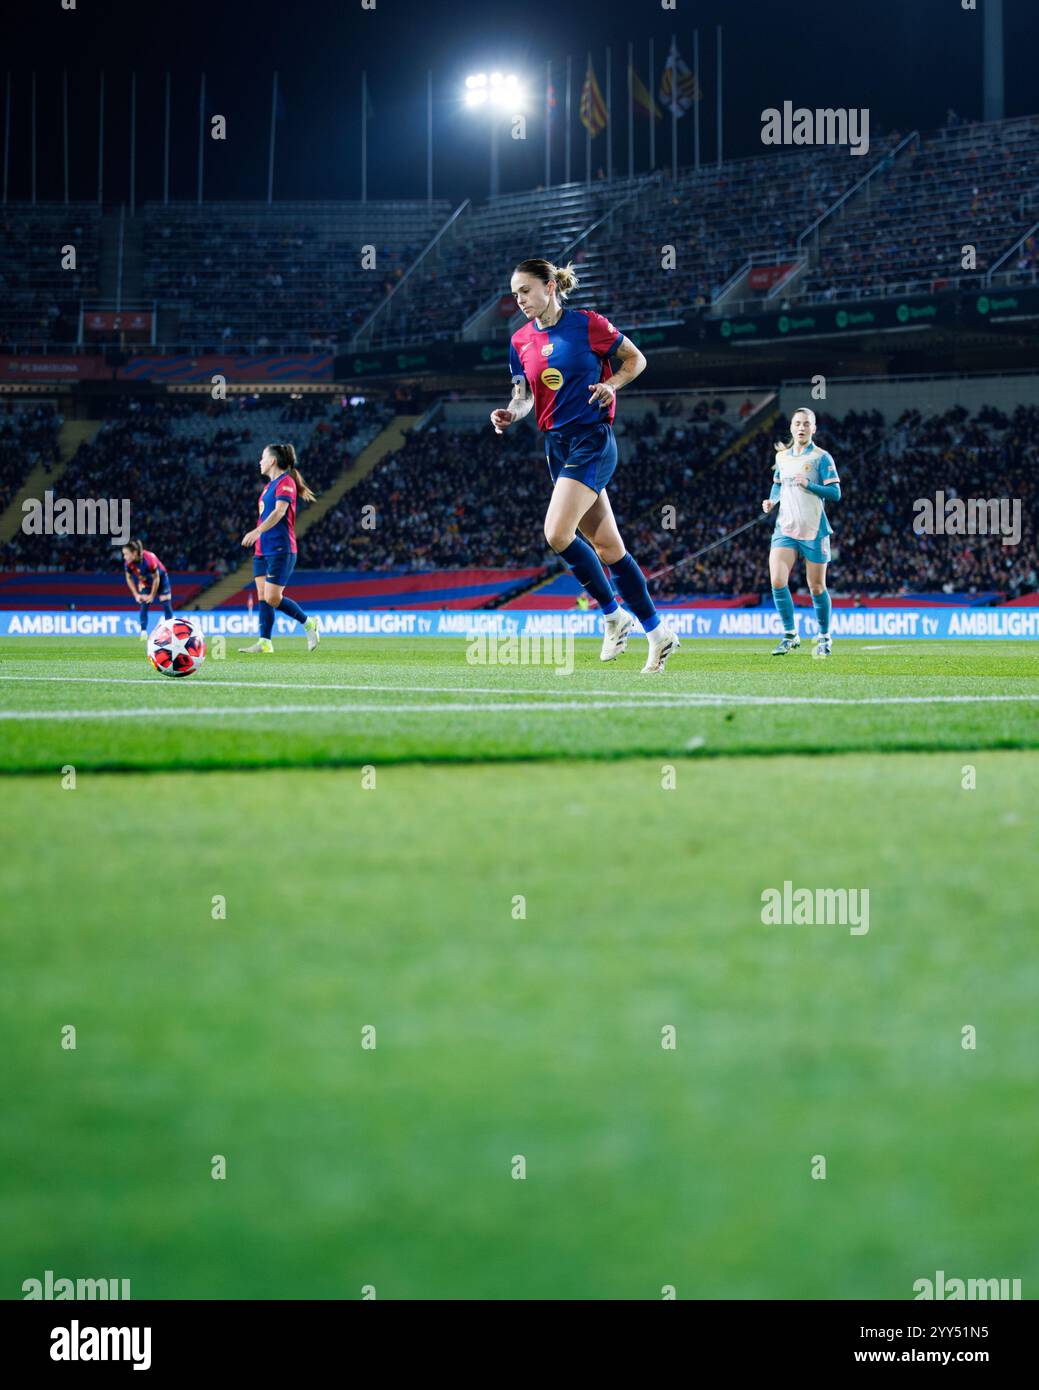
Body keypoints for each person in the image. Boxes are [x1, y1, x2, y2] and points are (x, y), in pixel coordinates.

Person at [490, 257, 679, 673]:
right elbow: (522, 396)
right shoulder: (519, 341)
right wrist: (510, 413)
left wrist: (610, 385)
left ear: (549, 287)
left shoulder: (588, 324)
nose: (519, 300)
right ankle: (658, 633)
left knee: (557, 532)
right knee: (609, 548)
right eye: (515, 294)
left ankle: (613, 615)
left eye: (525, 291)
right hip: (556, 446)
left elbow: (636, 360)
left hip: (591, 439)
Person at [762, 407, 841, 658]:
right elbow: (777, 485)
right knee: (777, 581)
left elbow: (836, 494)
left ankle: (824, 636)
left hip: (814, 529)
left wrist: (809, 484)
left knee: (816, 587)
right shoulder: (782, 457)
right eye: (797, 423)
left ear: (813, 428)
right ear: (791, 427)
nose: (802, 428)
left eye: (807, 424)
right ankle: (790, 635)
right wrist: (772, 501)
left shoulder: (822, 457)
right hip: (785, 528)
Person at [238, 443, 320, 654]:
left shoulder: (286, 482)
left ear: (272, 461)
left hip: (280, 549)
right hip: (262, 550)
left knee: (273, 598)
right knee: (262, 596)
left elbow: (279, 512)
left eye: (263, 457)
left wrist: (257, 531)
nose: (260, 462)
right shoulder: (269, 486)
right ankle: (265, 642)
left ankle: (309, 622)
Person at [122, 540, 173, 639]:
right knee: (144, 602)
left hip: (161, 579)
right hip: (146, 581)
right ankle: (143, 632)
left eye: (126, 554)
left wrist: (152, 595)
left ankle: (170, 632)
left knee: (165, 603)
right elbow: (128, 577)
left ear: (134, 553)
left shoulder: (150, 560)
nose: (124, 557)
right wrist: (136, 594)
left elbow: (156, 578)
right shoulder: (128, 563)